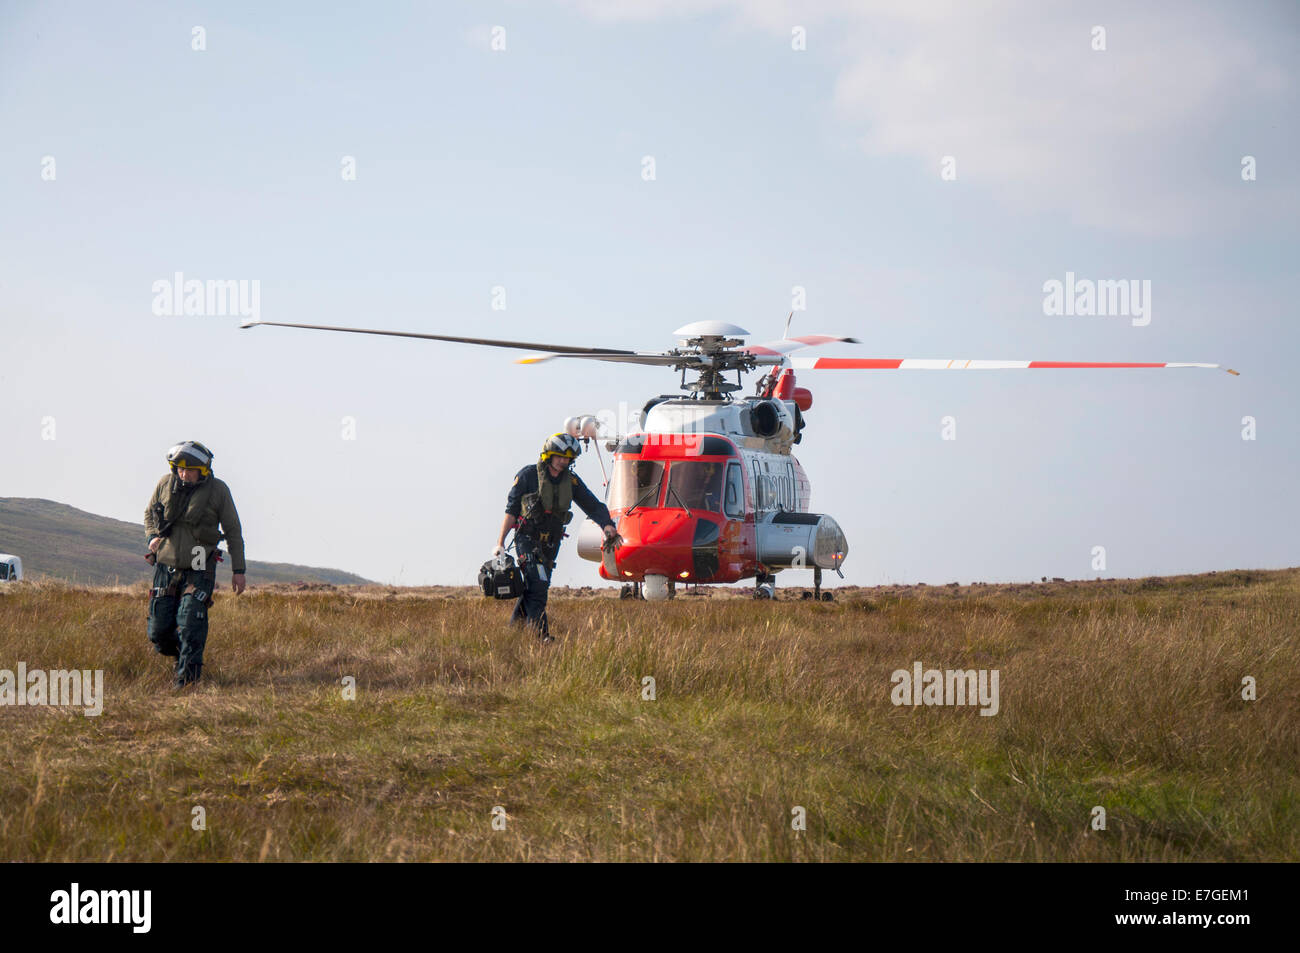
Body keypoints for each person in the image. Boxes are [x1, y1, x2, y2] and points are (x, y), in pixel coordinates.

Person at [494, 433, 617, 642]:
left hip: (551, 542)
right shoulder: (528, 476)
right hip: (527, 539)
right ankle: (542, 637)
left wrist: (607, 525)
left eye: (568, 458)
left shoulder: (571, 481)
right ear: (549, 455)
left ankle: (512, 632)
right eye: (560, 456)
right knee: (539, 585)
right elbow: (512, 510)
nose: (564, 461)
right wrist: (500, 543)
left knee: (535, 586)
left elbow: (592, 505)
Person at [143, 440, 247, 687]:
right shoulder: (164, 484)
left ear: (203, 470)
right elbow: (148, 513)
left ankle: (188, 682)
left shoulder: (219, 490)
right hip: (166, 564)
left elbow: (233, 531)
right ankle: (183, 657)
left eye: (189, 469)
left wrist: (238, 570)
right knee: (158, 632)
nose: (183, 473)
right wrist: (151, 536)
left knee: (190, 621)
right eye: (179, 468)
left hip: (200, 562)